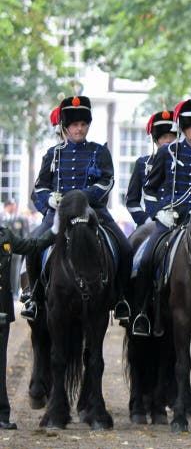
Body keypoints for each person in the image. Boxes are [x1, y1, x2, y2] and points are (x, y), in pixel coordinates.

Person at [24, 95, 133, 322]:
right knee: (33, 246)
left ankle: (121, 297)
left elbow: (107, 181)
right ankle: (34, 296)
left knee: (124, 247)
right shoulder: (53, 154)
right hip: (58, 214)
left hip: (93, 211)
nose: (79, 129)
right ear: (66, 127)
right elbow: (40, 187)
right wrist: (50, 200)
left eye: (83, 124)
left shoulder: (98, 152)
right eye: (75, 125)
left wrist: (81, 197)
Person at [132, 99, 191, 336]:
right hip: (171, 221)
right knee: (145, 259)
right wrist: (158, 213)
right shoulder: (167, 153)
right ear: (183, 127)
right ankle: (143, 311)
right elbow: (149, 189)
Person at [0, 225, 56, 430]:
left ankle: (1, 413)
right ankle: (32, 295)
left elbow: (32, 246)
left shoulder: (4, 234)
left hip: (1, 311)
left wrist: (55, 229)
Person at [126, 110, 176, 228]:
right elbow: (132, 201)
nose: (168, 141)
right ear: (156, 140)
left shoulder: (184, 164)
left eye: (172, 137)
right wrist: (146, 220)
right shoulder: (142, 163)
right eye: (164, 137)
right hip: (151, 222)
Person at [1, 199, 28, 299]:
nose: (14, 207)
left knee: (15, 271)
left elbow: (24, 234)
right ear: (7, 206)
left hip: (15, 250)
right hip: (2, 250)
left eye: (15, 205)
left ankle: (15, 292)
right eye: (12, 205)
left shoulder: (20, 218)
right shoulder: (1, 217)